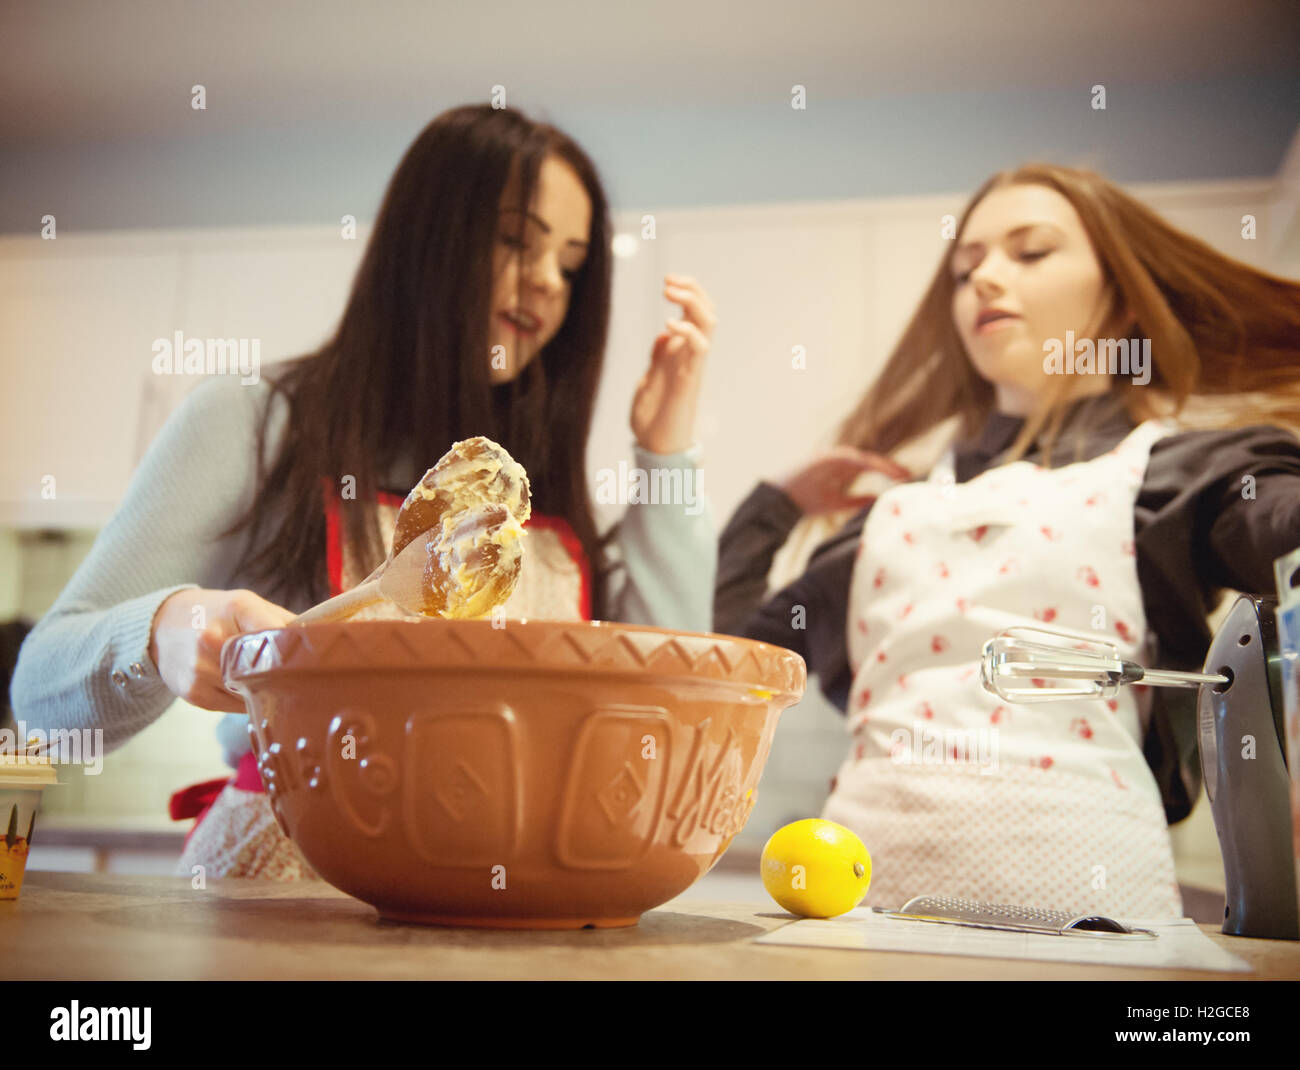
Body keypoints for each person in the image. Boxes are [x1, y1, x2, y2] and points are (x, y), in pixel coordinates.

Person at [11, 104, 718, 879]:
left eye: (572, 264)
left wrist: (665, 452)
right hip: (283, 900)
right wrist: (164, 629)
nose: (548, 282)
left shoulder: (533, 486)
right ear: (426, 242)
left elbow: (671, 700)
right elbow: (40, 691)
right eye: (517, 240)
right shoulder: (256, 421)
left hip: (508, 904)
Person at [716, 163, 1300, 918]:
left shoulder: (1181, 476)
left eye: (1030, 253)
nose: (987, 277)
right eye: (967, 267)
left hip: (1102, 929)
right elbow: (735, 671)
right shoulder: (895, 515)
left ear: (1121, 296)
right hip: (858, 931)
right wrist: (773, 508)